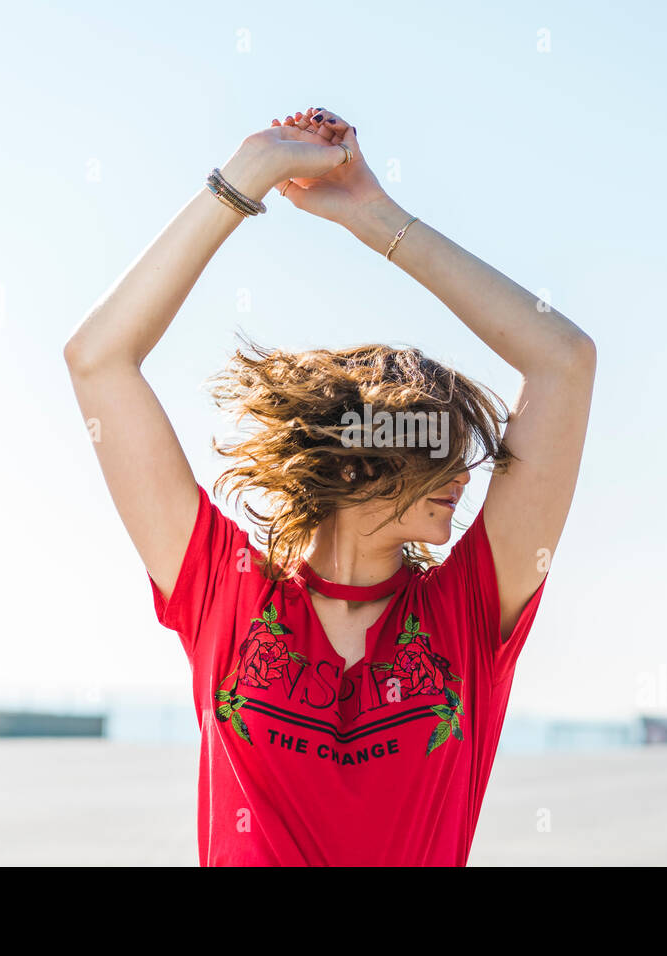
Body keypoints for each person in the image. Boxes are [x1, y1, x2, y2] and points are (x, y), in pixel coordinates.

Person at [63, 106, 596, 865]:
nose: (463, 477)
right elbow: (97, 359)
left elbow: (564, 361)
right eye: (434, 454)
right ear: (352, 463)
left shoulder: (468, 612)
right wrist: (248, 175)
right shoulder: (226, 592)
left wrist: (372, 215)